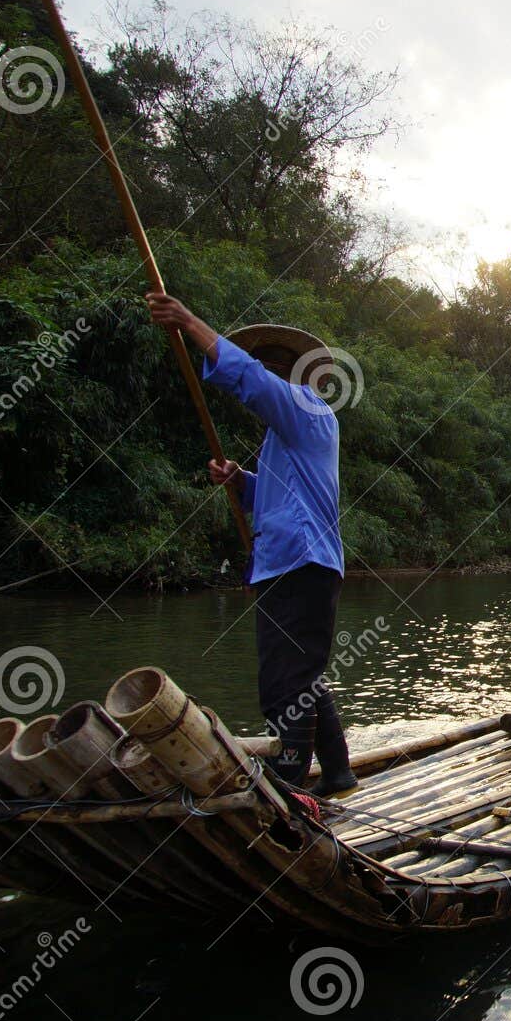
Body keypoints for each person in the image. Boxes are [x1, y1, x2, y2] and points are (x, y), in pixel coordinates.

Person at [144, 295, 356, 797]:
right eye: (271, 366)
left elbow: (253, 382)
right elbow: (280, 497)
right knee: (302, 676)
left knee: (284, 686)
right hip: (292, 561)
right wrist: (242, 481)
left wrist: (190, 319)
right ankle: (339, 772)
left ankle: (286, 783)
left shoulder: (308, 410)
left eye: (280, 367)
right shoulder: (284, 438)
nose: (273, 374)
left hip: (301, 563)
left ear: (299, 376)